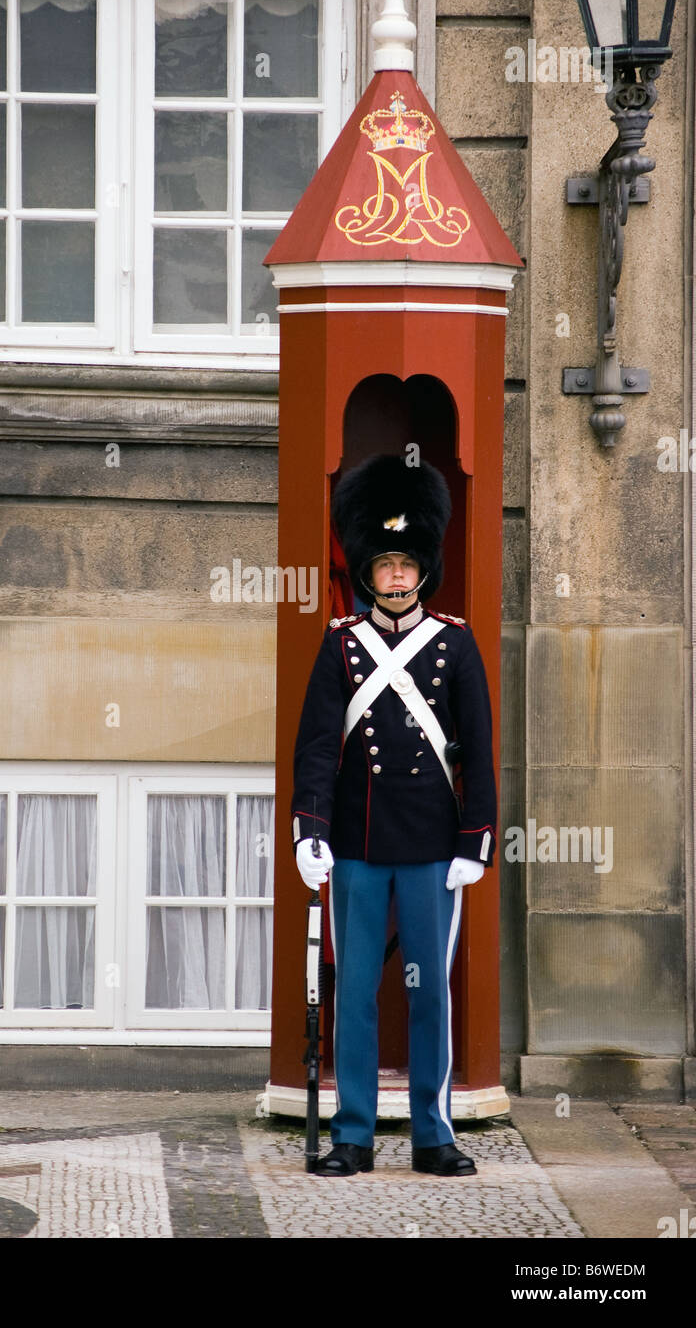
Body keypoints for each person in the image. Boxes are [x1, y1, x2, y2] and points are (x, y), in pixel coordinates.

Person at [291, 453, 496, 1177]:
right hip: (356, 846)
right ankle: (353, 1134)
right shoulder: (341, 644)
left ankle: (433, 1131)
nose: (398, 577)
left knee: (427, 992)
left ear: (424, 569)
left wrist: (477, 838)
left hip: (435, 847)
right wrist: (309, 830)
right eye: (385, 566)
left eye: (408, 564)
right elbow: (317, 746)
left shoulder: (454, 643)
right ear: (367, 573)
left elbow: (478, 748)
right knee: (355, 995)